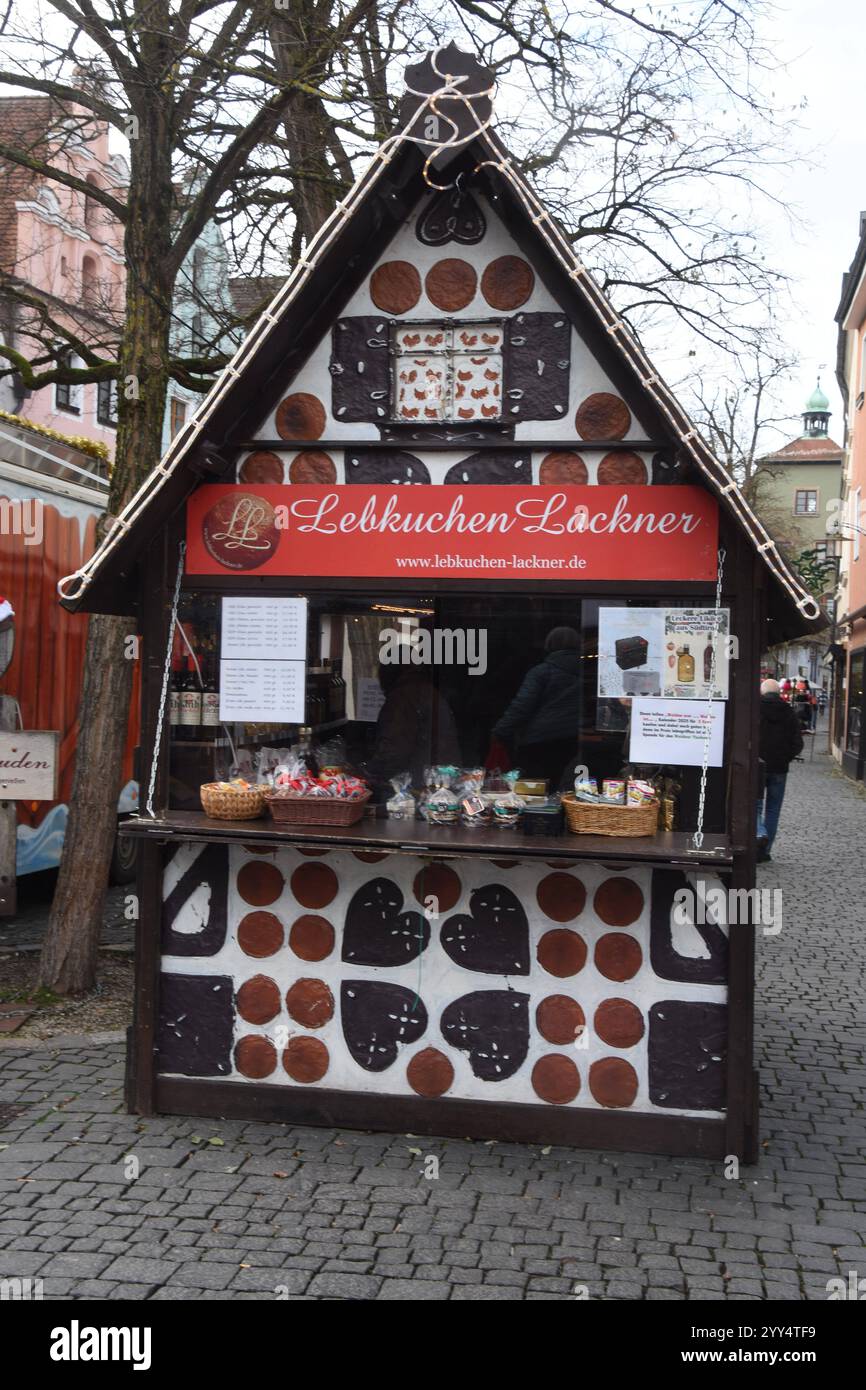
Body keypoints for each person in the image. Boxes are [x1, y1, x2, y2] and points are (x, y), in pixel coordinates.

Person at [491, 626, 582, 785]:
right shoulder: (587, 671)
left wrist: (500, 730)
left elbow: (522, 706)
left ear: (550, 644)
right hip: (572, 737)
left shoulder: (542, 672)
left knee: (534, 785)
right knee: (559, 781)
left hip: (540, 738)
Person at [366, 659, 460, 795]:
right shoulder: (424, 689)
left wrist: (372, 771)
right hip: (439, 779)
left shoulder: (404, 697)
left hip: (418, 782)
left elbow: (395, 747)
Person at [756, 678, 803, 862]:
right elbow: (797, 743)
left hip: (758, 767)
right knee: (773, 809)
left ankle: (758, 835)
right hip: (779, 768)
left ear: (762, 692)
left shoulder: (755, 709)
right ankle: (765, 851)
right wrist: (785, 758)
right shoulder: (789, 712)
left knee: (756, 807)